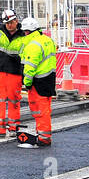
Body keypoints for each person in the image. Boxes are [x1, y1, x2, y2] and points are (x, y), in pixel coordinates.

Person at [0, 9, 27, 138]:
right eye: (7, 23)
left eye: (11, 22)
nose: (9, 25)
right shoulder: (0, 32)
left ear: (16, 21)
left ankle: (13, 128)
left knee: (14, 100)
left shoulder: (23, 36)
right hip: (0, 71)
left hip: (14, 72)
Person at [17, 17, 58, 148]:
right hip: (49, 79)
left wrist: (27, 83)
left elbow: (30, 67)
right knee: (44, 109)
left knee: (40, 110)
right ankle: (41, 134)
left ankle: (44, 138)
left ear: (27, 31)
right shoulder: (47, 40)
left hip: (38, 81)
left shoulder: (32, 45)